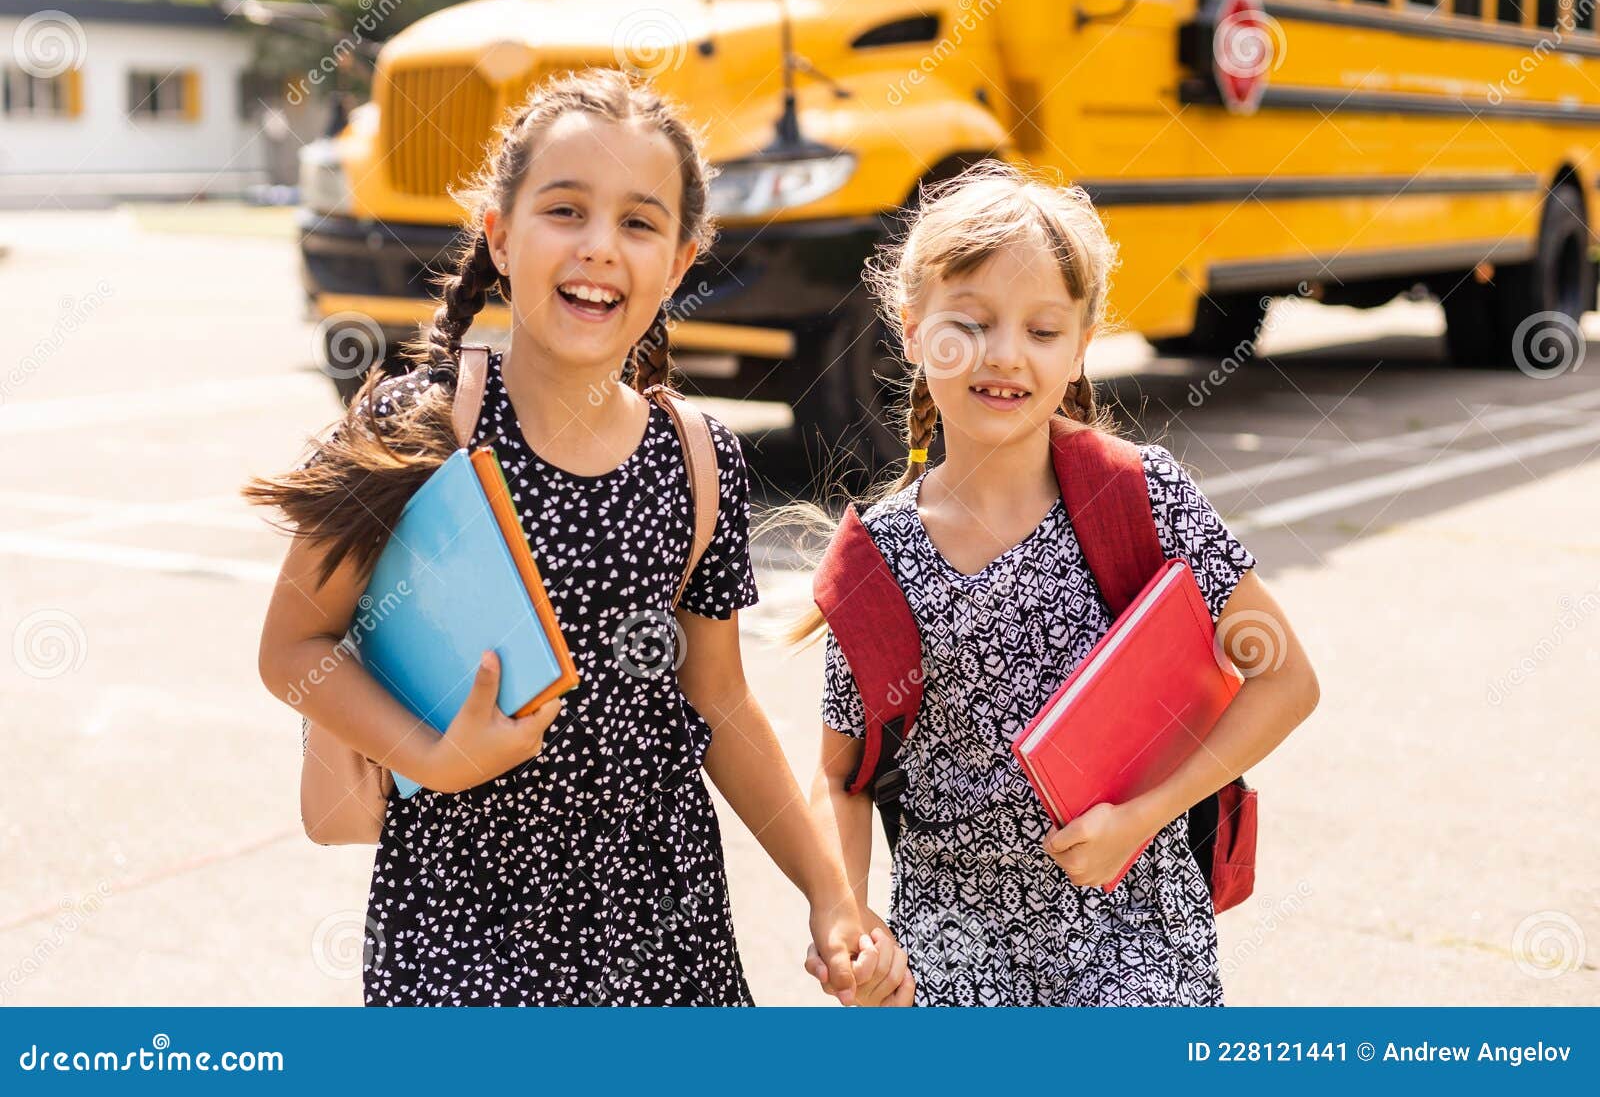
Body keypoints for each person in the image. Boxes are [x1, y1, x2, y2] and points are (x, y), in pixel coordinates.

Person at [247, 68, 900, 1006]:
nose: (600, 248)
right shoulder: (418, 427)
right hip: (461, 936)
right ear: (501, 235)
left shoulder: (696, 457)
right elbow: (291, 647)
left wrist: (830, 896)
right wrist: (434, 758)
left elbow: (719, 703)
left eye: (639, 223)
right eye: (565, 210)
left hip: (665, 933)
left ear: (678, 262)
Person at [796, 160, 1321, 1006]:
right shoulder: (876, 559)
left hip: (1136, 944)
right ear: (911, 326)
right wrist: (852, 928)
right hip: (949, 961)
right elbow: (841, 776)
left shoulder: (1142, 495)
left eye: (1043, 332)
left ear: (1082, 344)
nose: (1006, 356)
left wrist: (1147, 814)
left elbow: (1287, 680)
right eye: (970, 322)